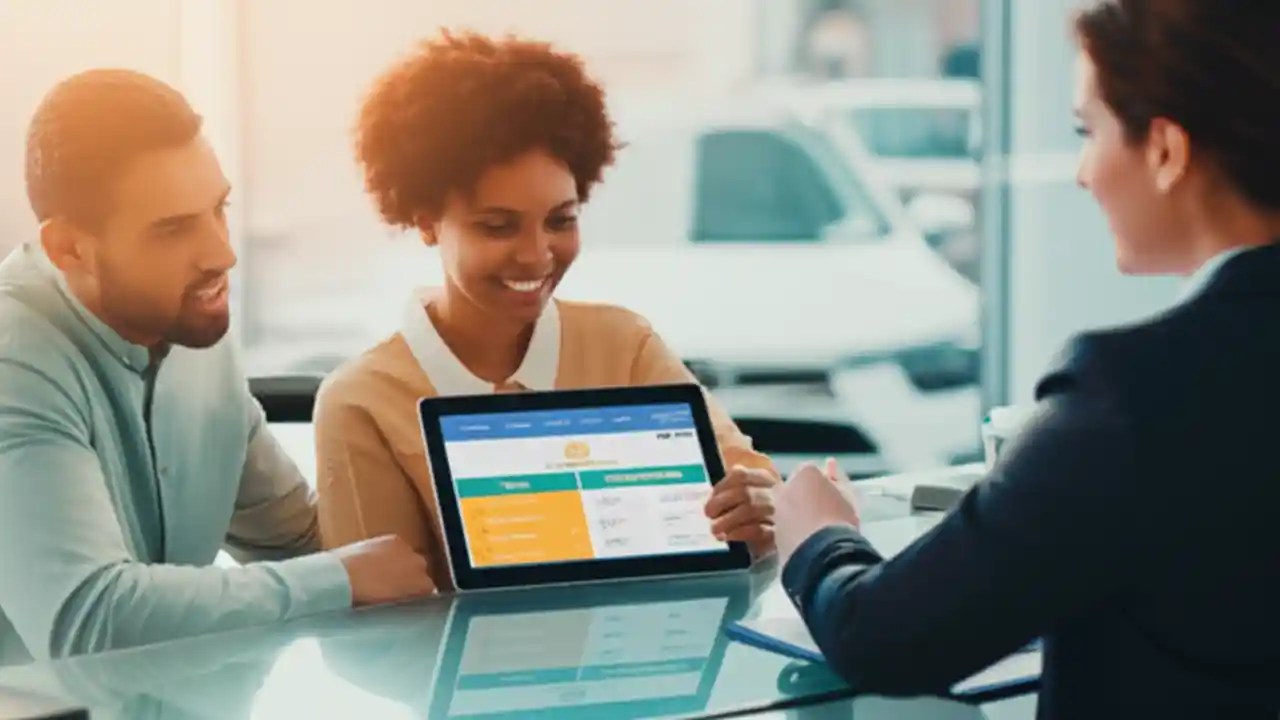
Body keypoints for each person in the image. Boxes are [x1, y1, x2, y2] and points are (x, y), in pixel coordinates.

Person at [772, 0, 1280, 717]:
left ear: (1166, 150)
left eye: (1088, 130)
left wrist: (819, 538)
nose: (1082, 172)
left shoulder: (1132, 396)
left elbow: (884, 635)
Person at [314, 32, 781, 592]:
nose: (537, 255)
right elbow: (376, 629)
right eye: (497, 226)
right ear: (425, 219)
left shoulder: (623, 345)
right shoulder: (363, 402)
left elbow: (759, 494)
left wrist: (762, 508)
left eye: (560, 220)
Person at [0, 70, 433, 666]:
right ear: (69, 249)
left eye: (218, 209)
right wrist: (338, 579)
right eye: (173, 229)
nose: (222, 254)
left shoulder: (187, 324)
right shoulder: (14, 356)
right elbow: (88, 618)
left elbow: (297, 539)